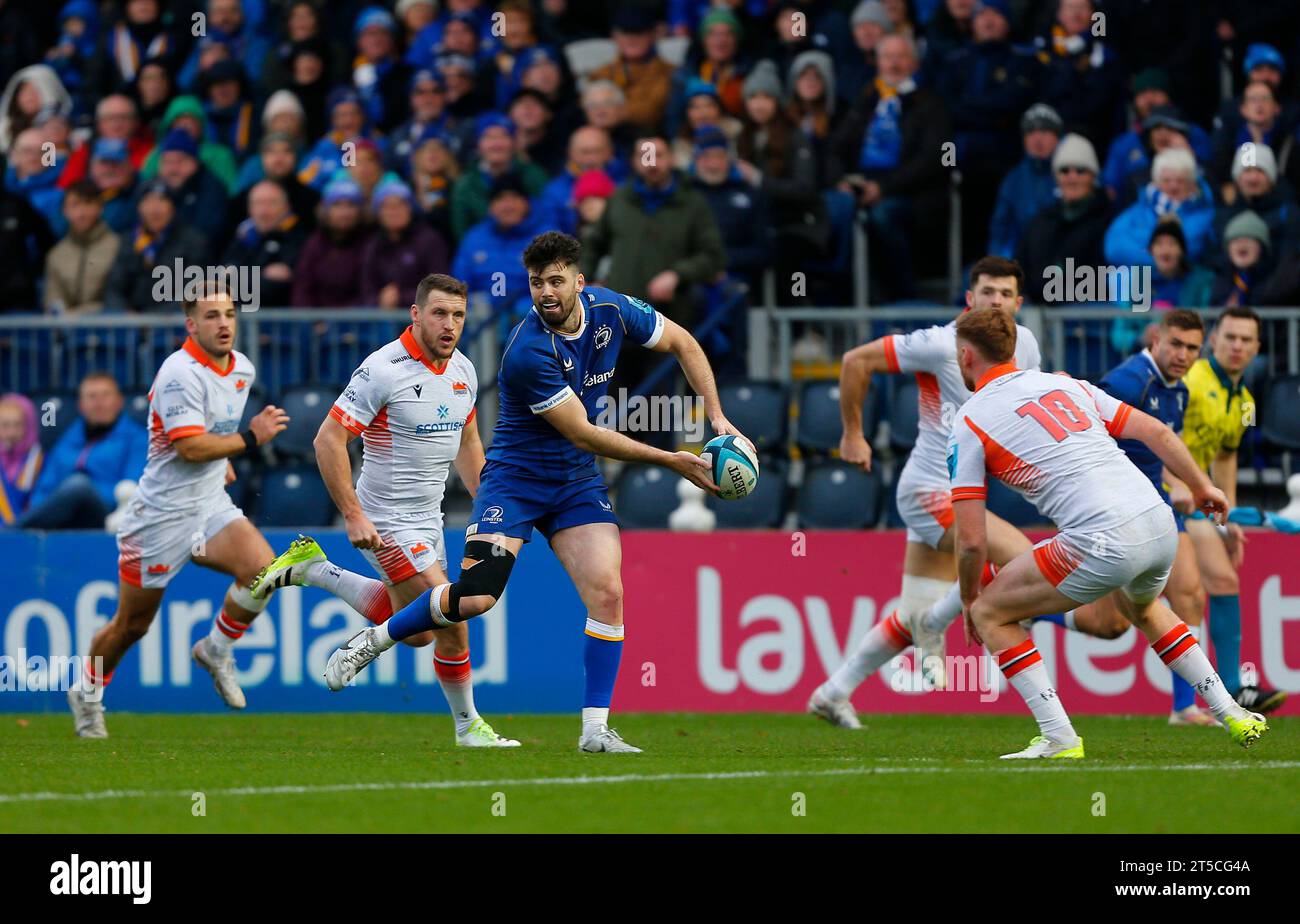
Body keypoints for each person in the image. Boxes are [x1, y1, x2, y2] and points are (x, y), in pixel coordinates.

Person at [322, 231, 748, 753]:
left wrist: (718, 416)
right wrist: (670, 459)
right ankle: (375, 639)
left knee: (608, 593)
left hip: (574, 482)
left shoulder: (612, 310)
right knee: (476, 598)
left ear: (579, 282)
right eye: (535, 282)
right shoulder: (527, 351)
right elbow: (584, 432)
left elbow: (683, 341)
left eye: (555, 281)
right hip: (517, 481)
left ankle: (595, 731)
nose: (544, 291)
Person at [807, 256, 1118, 725]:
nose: (996, 301)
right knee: (1018, 560)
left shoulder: (1026, 345)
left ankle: (832, 693)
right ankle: (996, 618)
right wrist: (852, 433)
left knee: (911, 614)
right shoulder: (938, 343)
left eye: (1005, 294)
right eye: (987, 292)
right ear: (969, 298)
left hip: (964, 491)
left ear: (1020, 302)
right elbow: (856, 360)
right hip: (930, 491)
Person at [947, 308, 1268, 758]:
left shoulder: (969, 421)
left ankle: (1058, 737)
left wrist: (966, 598)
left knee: (990, 613)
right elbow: (1155, 430)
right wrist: (1202, 487)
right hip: (1157, 523)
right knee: (1146, 610)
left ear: (965, 356)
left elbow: (973, 540)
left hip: (1100, 538)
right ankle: (1230, 710)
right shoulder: (1064, 382)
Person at [251, 274, 518, 748]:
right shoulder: (383, 369)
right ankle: (468, 727)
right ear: (415, 314)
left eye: (458, 315)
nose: (450, 324)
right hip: (388, 519)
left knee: (419, 630)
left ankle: (315, 570)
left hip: (429, 519)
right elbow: (328, 440)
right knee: (452, 616)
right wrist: (354, 515)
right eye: (439, 313)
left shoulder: (464, 370)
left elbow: (469, 443)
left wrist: (491, 502)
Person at [67, 290, 293, 738]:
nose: (223, 323)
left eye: (229, 314)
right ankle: (87, 691)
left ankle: (216, 648)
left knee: (265, 570)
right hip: (160, 517)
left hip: (209, 505)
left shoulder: (241, 367)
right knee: (131, 626)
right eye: (211, 316)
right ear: (191, 325)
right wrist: (248, 439)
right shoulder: (178, 373)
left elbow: (210, 435)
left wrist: (222, 455)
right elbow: (189, 447)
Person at [1098, 311, 1218, 726]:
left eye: (1192, 348)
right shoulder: (1127, 383)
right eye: (1177, 345)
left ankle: (1185, 707)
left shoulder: (1178, 390)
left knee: (1190, 593)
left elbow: (1160, 448)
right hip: (1116, 509)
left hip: (1158, 506)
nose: (1183, 355)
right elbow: (1086, 442)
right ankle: (1025, 609)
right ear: (1156, 338)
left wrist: (1176, 484)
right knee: (1111, 623)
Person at [1177, 307, 1286, 714]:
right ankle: (1229, 689)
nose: (1237, 346)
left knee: (1112, 619)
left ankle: (1225, 690)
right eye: (1230, 337)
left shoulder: (1246, 403)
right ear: (1213, 341)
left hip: (1196, 500)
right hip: (1167, 494)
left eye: (1246, 340)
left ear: (1257, 348)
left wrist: (1230, 520)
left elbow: (1226, 460)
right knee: (1218, 581)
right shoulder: (1191, 381)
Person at [15, 373, 146, 530]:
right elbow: (44, 488)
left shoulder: (137, 439)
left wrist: (83, 492)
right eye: (91, 397)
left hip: (110, 517)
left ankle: (11, 534)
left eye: (105, 396)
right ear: (80, 405)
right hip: (62, 517)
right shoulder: (67, 438)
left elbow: (133, 489)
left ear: (119, 402)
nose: (98, 403)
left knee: (78, 485)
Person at [1016, 133, 1110, 304]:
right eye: (1064, 170)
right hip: (1038, 314)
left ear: (1093, 176)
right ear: (1056, 177)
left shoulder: (1109, 219)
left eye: (1080, 170)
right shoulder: (1040, 222)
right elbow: (1020, 270)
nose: (1072, 178)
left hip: (1087, 317)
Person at [104, 180, 212, 313]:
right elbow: (114, 287)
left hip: (173, 324)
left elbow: (193, 292)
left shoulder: (193, 242)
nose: (155, 209)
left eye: (162, 200)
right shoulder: (129, 241)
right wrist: (125, 313)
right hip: (131, 324)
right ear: (139, 208)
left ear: (172, 207)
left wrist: (152, 320)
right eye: (148, 201)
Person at [360, 179, 450, 307]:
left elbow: (440, 288)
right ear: (379, 213)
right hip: (382, 319)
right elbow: (367, 290)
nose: (394, 211)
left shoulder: (429, 240)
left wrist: (401, 297)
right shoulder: (374, 245)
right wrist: (380, 299)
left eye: (400, 205)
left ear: (410, 208)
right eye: (387, 207)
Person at [987, 104, 1061, 259]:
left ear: (1057, 137)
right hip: (1022, 262)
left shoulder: (1072, 172)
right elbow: (1001, 229)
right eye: (1031, 132)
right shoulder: (1013, 180)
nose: (1038, 138)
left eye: (1045, 131)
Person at [585, 6, 674, 135]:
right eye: (626, 33)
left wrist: (612, 111)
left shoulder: (670, 72)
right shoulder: (600, 74)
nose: (632, 39)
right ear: (615, 37)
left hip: (650, 140)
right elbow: (588, 110)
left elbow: (651, 112)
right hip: (607, 140)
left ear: (652, 36)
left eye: (639, 33)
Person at [44, 179, 121, 315]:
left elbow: (116, 299)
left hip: (108, 326)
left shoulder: (118, 247)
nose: (81, 212)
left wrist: (79, 314)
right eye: (75, 205)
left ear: (100, 208)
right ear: (65, 211)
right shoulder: (56, 254)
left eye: (88, 203)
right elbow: (53, 302)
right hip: (68, 329)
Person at [0, 394, 43, 525]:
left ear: (29, 427)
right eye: (4, 425)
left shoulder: (39, 460)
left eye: (18, 425)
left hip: (27, 532)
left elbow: (42, 499)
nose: (11, 432)